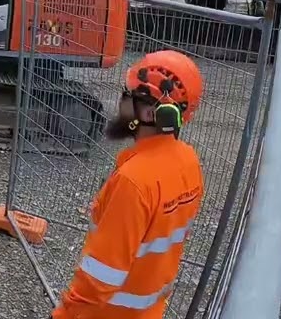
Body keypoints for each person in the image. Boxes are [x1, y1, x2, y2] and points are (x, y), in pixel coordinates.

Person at [52, 50, 205, 319]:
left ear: (147, 112)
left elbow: (101, 276)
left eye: (127, 94)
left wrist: (63, 314)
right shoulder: (188, 162)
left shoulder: (133, 182)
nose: (119, 102)